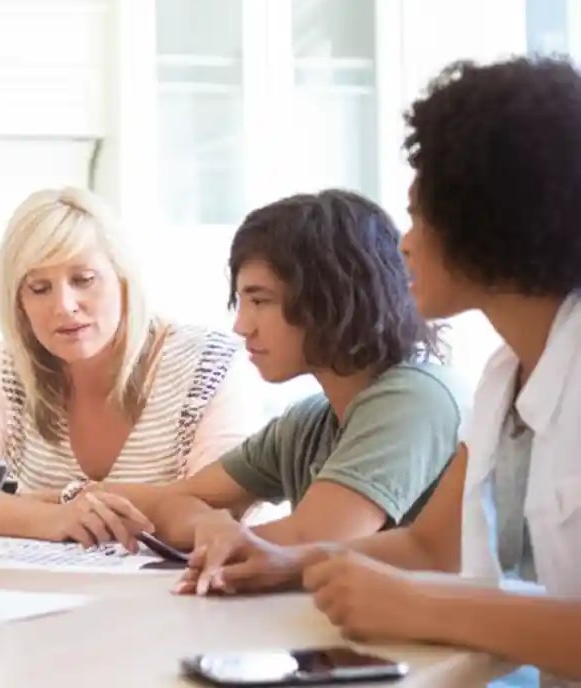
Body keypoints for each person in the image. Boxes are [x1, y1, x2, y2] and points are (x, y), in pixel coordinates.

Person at [190, 57, 581, 683]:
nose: (405, 242)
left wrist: (426, 607)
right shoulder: (505, 375)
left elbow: (438, 585)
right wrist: (282, 562)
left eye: (423, 216)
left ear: (492, 218)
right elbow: (432, 548)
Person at [95, 190, 463, 590]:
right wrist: (206, 523)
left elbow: (314, 538)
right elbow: (170, 500)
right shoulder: (309, 421)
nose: (242, 325)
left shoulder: (414, 398)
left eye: (260, 301)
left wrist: (215, 535)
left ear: (330, 298)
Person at [0, 187, 268, 552]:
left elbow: (223, 509)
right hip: (51, 600)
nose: (64, 305)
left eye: (84, 280)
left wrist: (62, 500)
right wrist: (52, 518)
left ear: (123, 280)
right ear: (18, 303)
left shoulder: (208, 364)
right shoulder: (13, 366)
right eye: (39, 288)